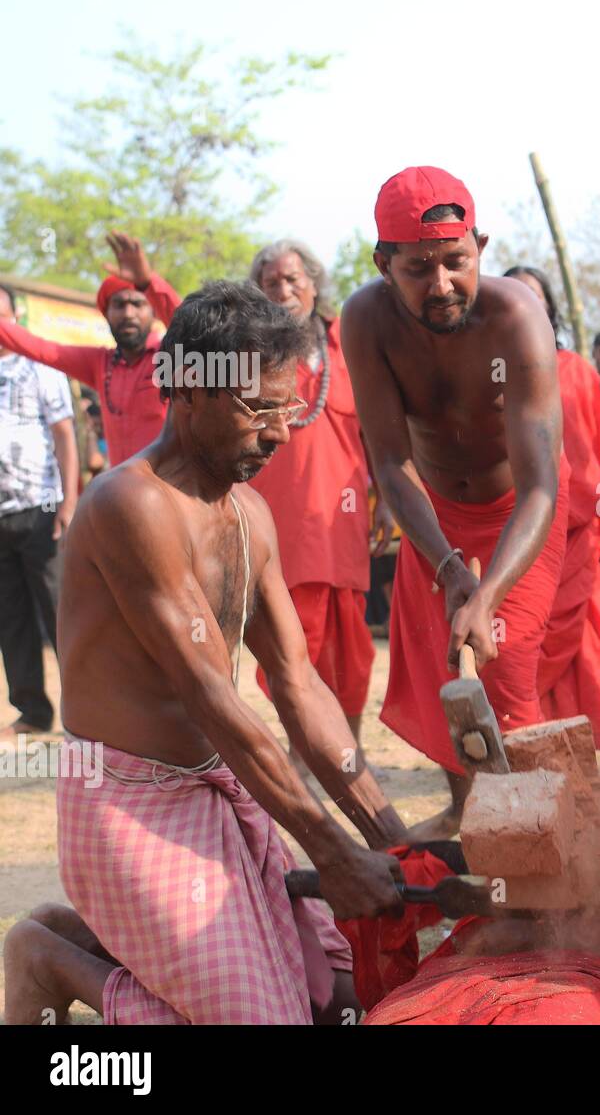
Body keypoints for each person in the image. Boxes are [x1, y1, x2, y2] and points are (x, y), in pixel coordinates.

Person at [2, 282, 407, 1025]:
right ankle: (48, 955)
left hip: (216, 785)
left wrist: (392, 839)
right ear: (189, 389)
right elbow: (210, 699)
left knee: (341, 1000)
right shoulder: (134, 504)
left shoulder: (249, 513)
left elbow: (298, 687)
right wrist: (329, 847)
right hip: (127, 802)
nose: (281, 432)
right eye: (259, 408)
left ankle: (91, 940)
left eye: (288, 408)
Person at [341, 167, 565, 836]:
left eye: (455, 262)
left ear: (482, 247)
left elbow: (541, 486)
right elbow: (390, 460)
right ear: (384, 264)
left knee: (504, 669)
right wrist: (447, 569)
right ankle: (480, 823)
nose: (441, 286)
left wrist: (486, 591)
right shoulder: (366, 320)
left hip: (517, 517)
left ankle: (536, 851)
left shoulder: (517, 317)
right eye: (418, 268)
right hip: (431, 519)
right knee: (446, 675)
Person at [247, 240, 384, 769]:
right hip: (277, 526)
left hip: (342, 522)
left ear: (313, 284)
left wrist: (389, 504)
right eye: (271, 282)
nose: (283, 290)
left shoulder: (347, 343)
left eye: (292, 280)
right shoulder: (250, 353)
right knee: (288, 645)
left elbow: (377, 429)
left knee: (351, 649)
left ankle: (348, 748)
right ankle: (303, 755)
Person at [505, 265, 600, 750]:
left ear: (549, 309)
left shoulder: (577, 371)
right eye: (514, 294)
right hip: (515, 540)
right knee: (522, 641)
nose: (526, 303)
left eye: (535, 296)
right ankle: (524, 743)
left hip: (581, 537)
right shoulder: (487, 372)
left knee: (588, 648)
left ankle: (580, 752)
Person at [0, 234, 179, 465]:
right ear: (106, 313)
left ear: (152, 312)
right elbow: (41, 348)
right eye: (119, 304)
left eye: (137, 303)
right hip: (120, 493)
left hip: (169, 493)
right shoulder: (99, 363)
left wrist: (148, 283)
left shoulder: (172, 357)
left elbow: (194, 330)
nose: (128, 313)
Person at [0, 283, 78, 739]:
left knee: (59, 613)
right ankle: (31, 710)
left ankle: (84, 709)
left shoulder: (40, 368)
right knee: (11, 618)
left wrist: (69, 501)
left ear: (15, 319)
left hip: (42, 507)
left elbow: (64, 435)